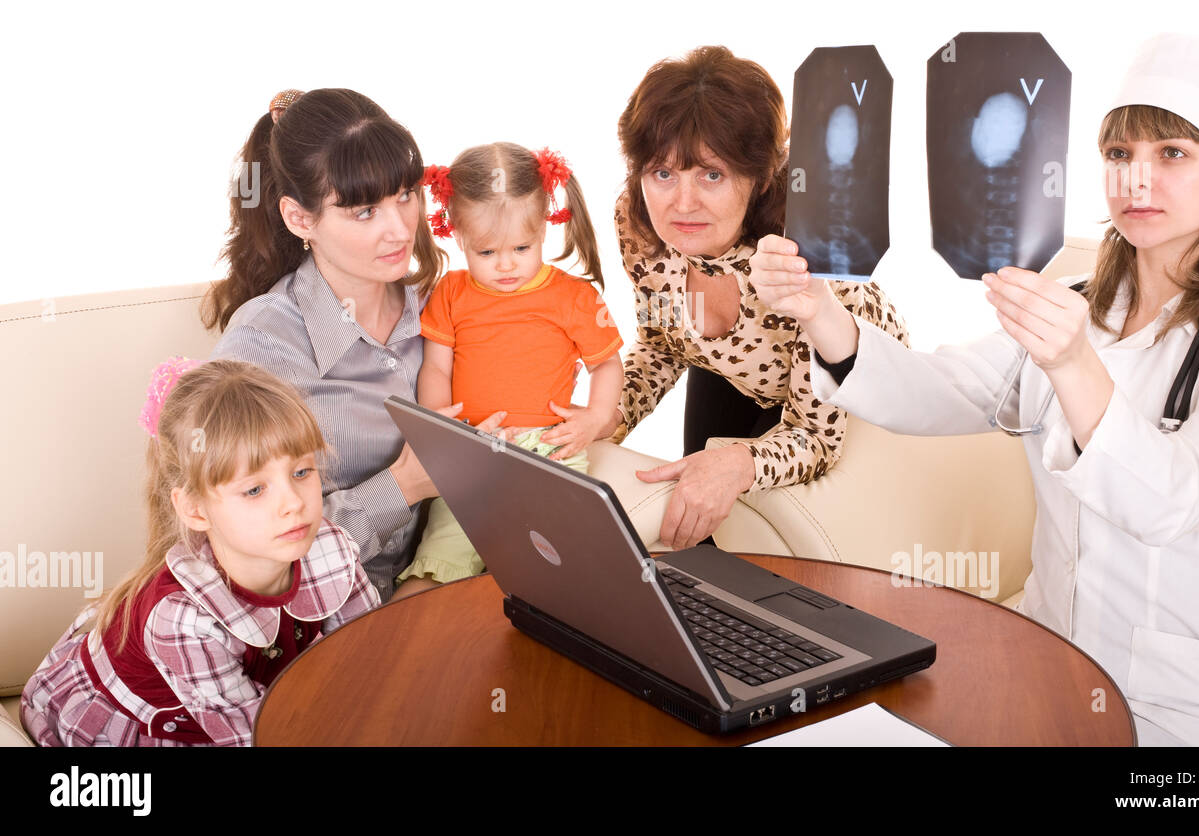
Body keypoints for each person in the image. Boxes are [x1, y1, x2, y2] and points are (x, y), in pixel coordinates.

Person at [749, 34, 1199, 746]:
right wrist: (820, 313)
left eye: (1172, 155)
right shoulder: (1073, 301)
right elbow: (937, 391)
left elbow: (1173, 502)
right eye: (1119, 154)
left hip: (1182, 702)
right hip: (1052, 656)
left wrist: (1073, 364)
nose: (1137, 180)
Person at [601, 46, 910, 550]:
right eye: (663, 173)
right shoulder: (639, 222)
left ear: (762, 175)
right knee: (695, 533)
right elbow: (662, 343)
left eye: (712, 174)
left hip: (852, 403)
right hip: (734, 370)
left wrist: (741, 463)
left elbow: (816, 437)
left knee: (755, 549)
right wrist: (603, 417)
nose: (682, 203)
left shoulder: (811, 252)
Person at [203, 89, 505, 600]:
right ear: (301, 219)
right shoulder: (263, 346)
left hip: (457, 587)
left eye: (406, 195)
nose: (399, 230)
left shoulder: (442, 303)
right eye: (365, 212)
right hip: (325, 621)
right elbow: (247, 552)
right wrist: (406, 484)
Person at [21, 358, 380, 746]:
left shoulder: (330, 549)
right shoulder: (181, 620)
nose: (293, 503)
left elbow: (375, 654)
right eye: (255, 490)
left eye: (302, 472)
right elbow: (259, 738)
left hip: (259, 707)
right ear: (195, 510)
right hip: (154, 724)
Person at [394, 143, 623, 592]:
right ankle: (406, 636)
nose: (505, 265)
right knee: (441, 557)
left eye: (522, 247)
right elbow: (436, 369)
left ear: (544, 228)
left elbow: (607, 366)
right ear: (456, 234)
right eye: (485, 252)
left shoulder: (573, 297)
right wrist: (446, 431)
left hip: (551, 452)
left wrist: (596, 417)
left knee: (558, 567)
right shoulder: (451, 292)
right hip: (473, 450)